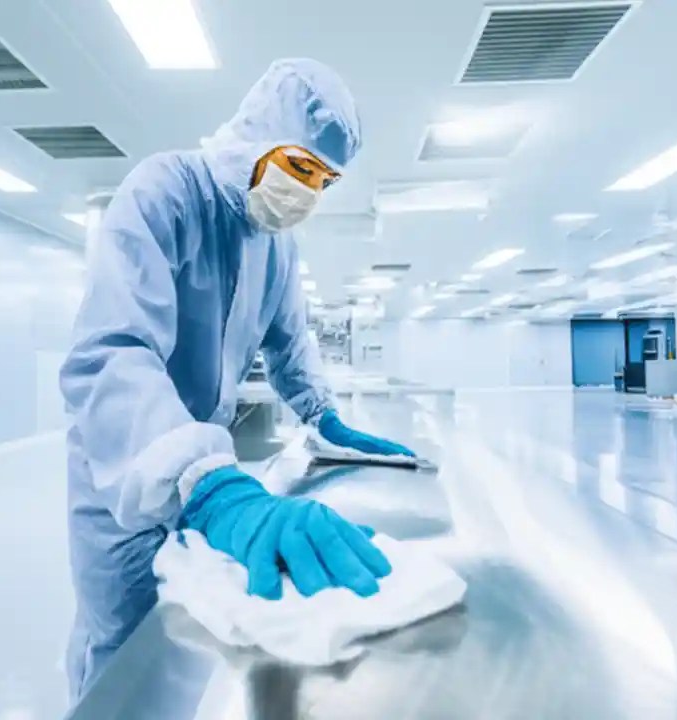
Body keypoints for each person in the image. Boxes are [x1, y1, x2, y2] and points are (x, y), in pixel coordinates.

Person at [59, 58, 417, 699]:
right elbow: (112, 353)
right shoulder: (164, 192)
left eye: (324, 179)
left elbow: (291, 344)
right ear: (257, 136)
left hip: (207, 470)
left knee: (188, 632)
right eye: (299, 166)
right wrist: (207, 483)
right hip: (126, 461)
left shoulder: (276, 247)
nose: (307, 191)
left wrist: (323, 415)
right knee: (121, 649)